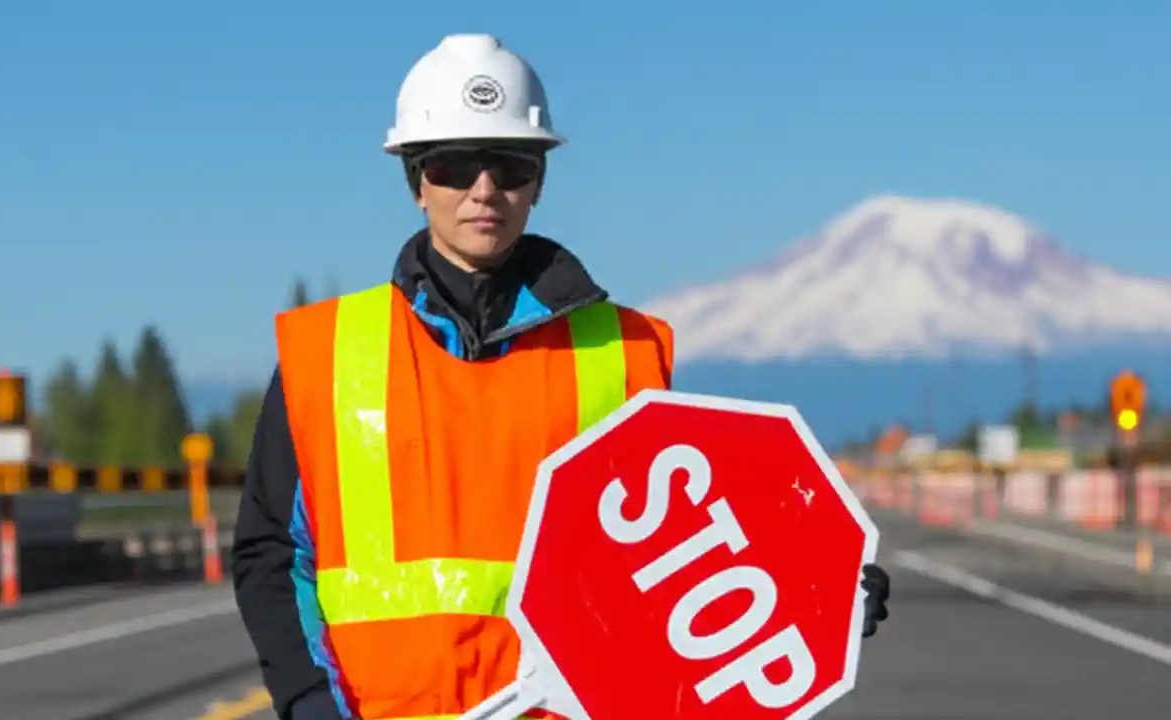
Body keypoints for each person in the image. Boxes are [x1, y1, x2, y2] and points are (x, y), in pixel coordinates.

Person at [230, 33, 891, 720]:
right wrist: (309, 703)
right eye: (455, 166)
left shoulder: (626, 353)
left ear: (539, 180)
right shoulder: (327, 356)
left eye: (511, 166)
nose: (484, 190)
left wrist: (817, 590)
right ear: (416, 180)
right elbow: (271, 552)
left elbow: (698, 548)